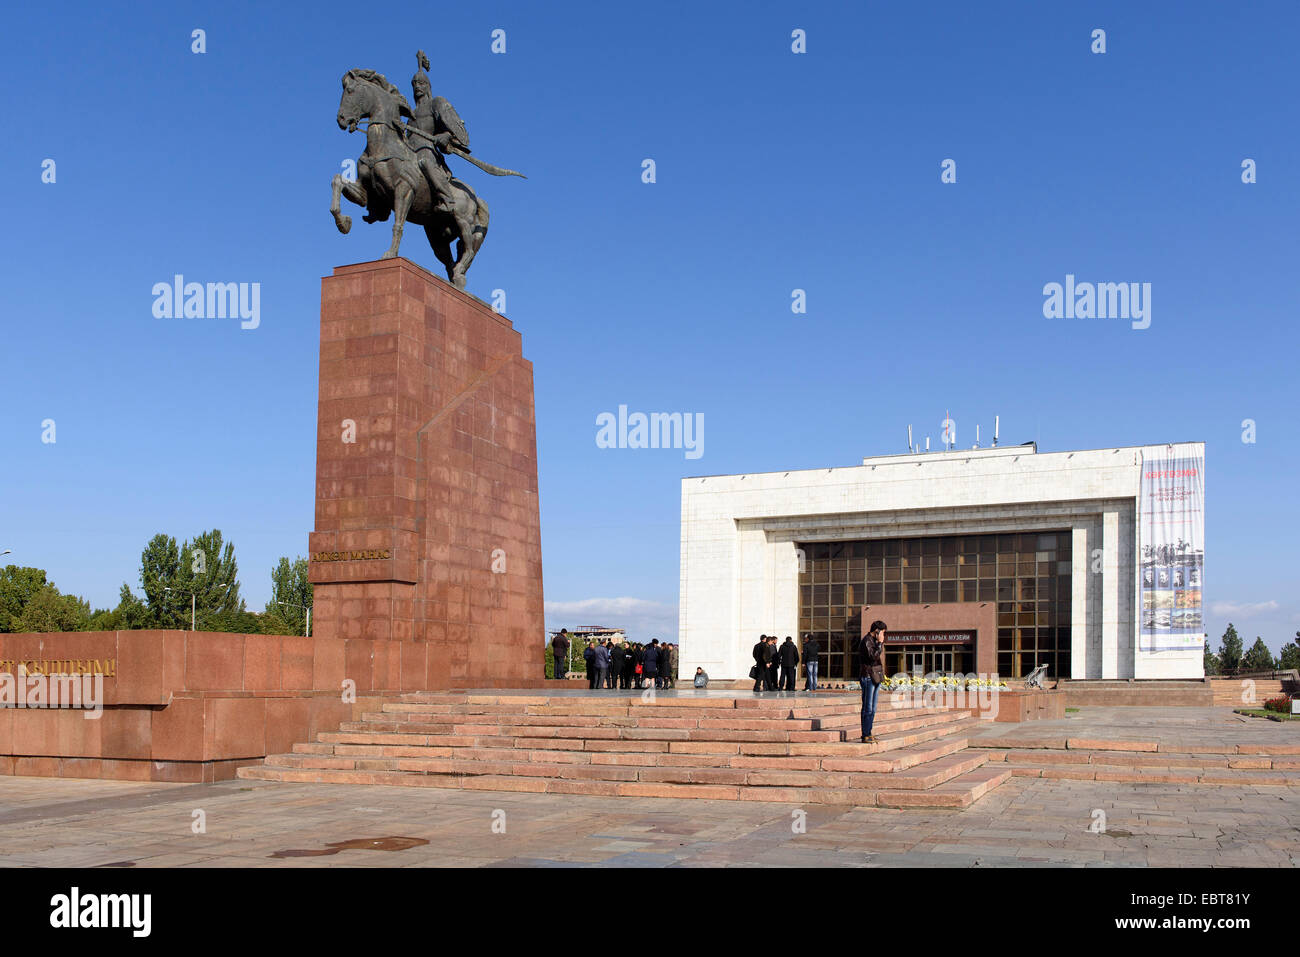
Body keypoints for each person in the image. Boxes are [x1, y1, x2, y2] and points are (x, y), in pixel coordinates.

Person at [858, 620, 887, 743]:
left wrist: (878, 643)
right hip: (868, 676)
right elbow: (872, 657)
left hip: (875, 676)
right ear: (877, 631)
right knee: (868, 707)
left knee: (873, 708)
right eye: (882, 633)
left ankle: (869, 732)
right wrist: (880, 644)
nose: (883, 636)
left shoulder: (873, 642)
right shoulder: (866, 641)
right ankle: (865, 734)